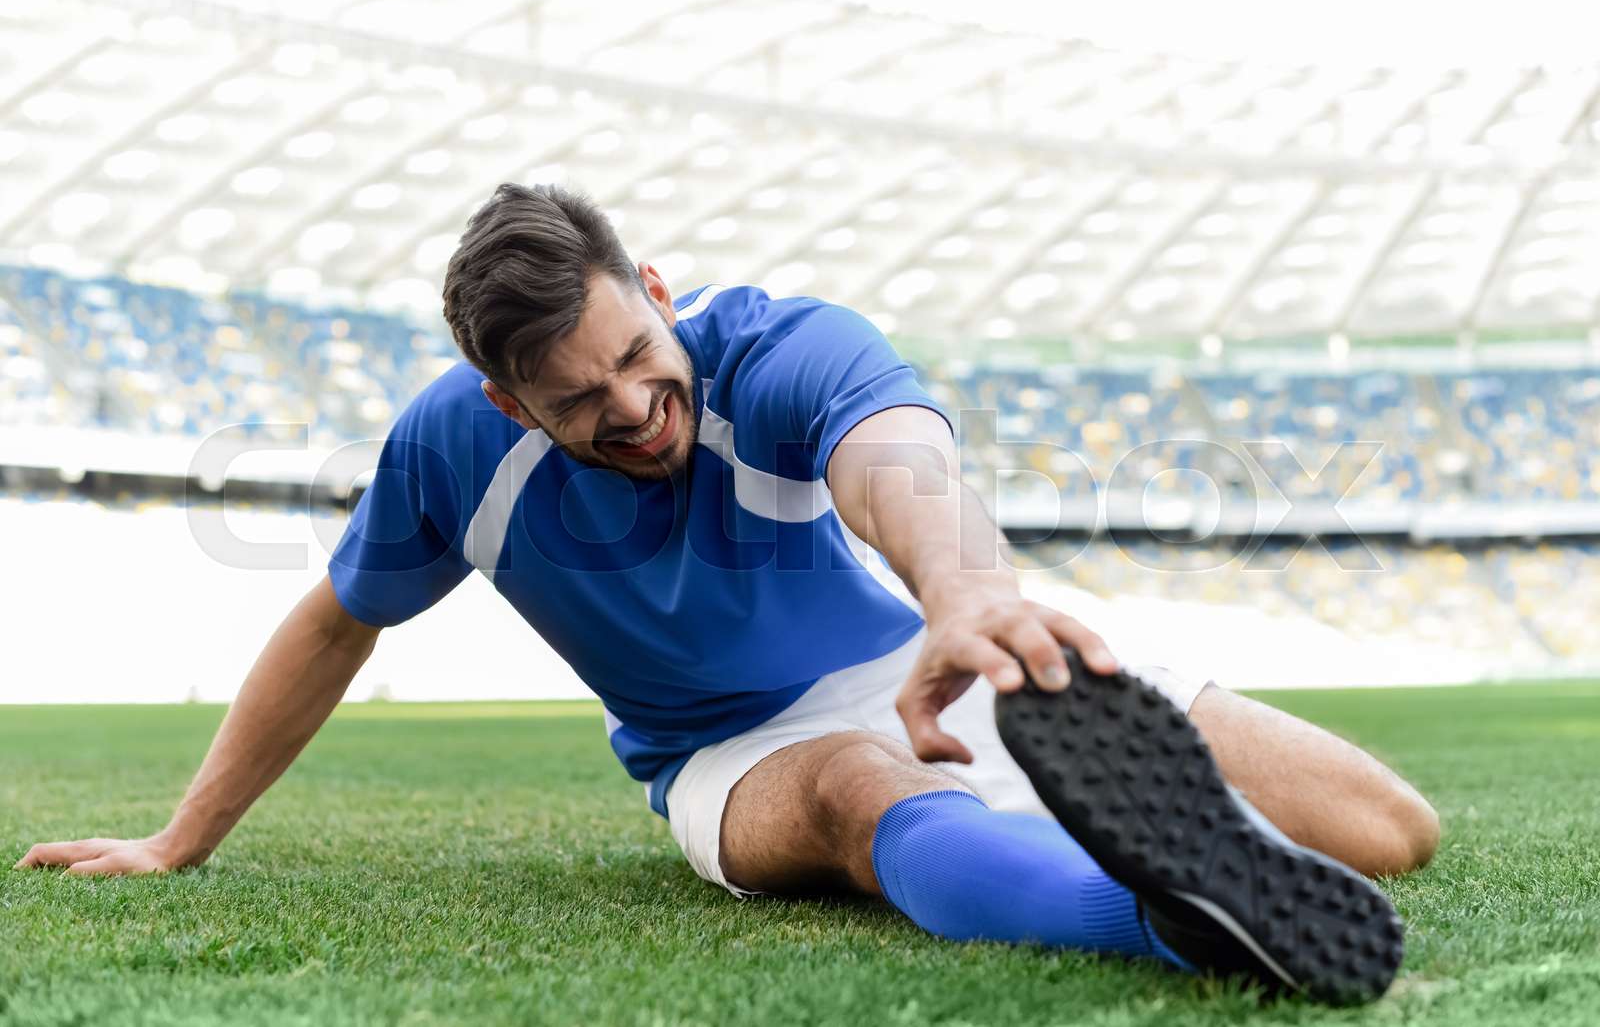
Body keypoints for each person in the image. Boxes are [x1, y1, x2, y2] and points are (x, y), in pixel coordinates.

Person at [16, 183, 1439, 1003]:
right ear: (511, 406)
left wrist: (968, 593)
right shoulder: (452, 451)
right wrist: (178, 838)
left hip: (926, 648)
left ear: (653, 284)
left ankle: (1119, 820)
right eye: (577, 400)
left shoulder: (780, 346)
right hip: (729, 754)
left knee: (1389, 831)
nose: (635, 406)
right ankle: (1165, 911)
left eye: (639, 352)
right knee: (854, 798)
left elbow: (897, 456)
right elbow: (336, 621)